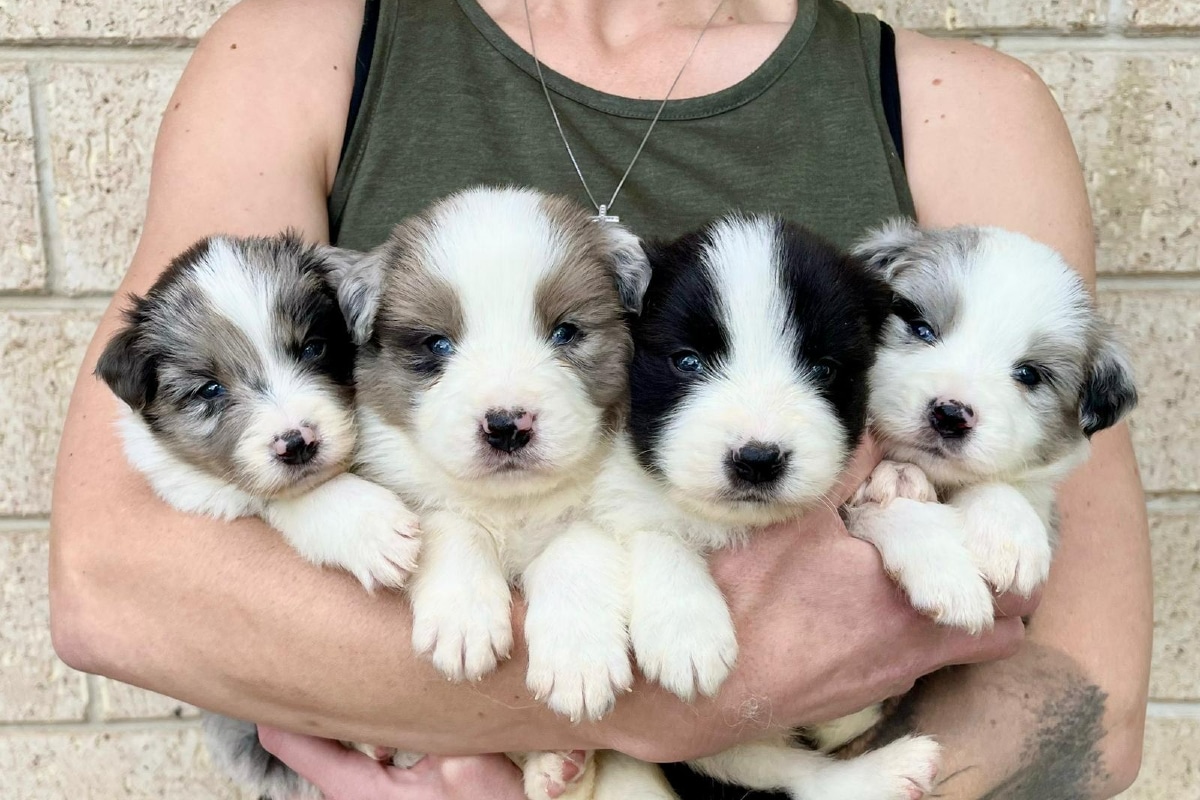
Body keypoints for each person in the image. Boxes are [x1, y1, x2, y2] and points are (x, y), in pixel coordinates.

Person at [48, 0, 1150, 798]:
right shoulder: (297, 51)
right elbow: (111, 584)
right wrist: (681, 699)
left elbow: (1089, 705)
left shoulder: (967, 106)